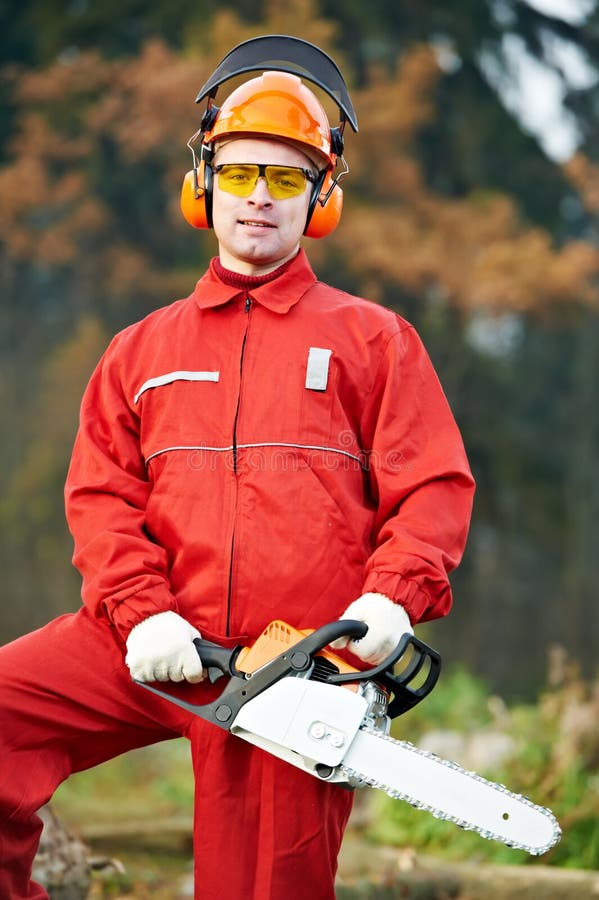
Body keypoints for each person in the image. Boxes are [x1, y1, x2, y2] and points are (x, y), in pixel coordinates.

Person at [0, 36, 475, 900]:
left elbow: (433, 488)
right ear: (204, 184)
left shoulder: (375, 341)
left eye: (286, 180)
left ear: (319, 199)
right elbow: (101, 498)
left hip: (295, 668)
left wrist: (386, 600)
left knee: (259, 888)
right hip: (152, 642)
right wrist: (141, 615)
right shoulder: (139, 350)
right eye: (243, 172)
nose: (259, 197)